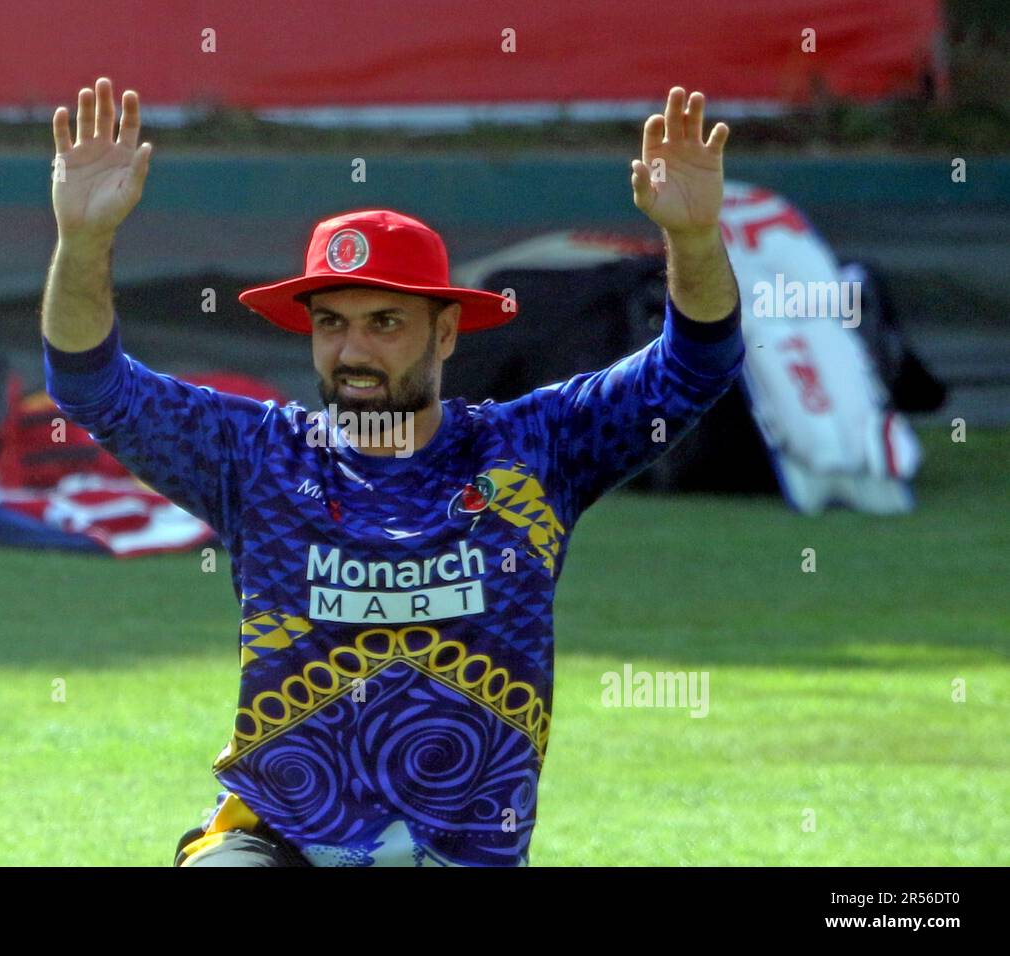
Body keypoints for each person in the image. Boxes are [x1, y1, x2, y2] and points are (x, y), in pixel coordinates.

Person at [41, 78, 743, 866]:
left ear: (447, 333)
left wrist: (692, 239)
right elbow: (88, 382)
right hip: (280, 840)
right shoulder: (257, 456)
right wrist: (84, 240)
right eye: (332, 324)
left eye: (384, 324)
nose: (353, 352)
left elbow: (696, 366)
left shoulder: (538, 448)